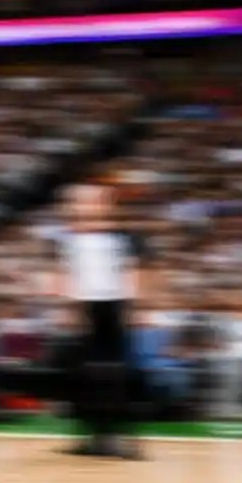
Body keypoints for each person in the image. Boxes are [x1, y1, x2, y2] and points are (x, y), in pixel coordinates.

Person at [50, 183, 145, 459]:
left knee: (117, 375)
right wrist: (67, 308)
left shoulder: (123, 237)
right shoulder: (68, 239)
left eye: (91, 202)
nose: (83, 208)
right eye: (78, 202)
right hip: (84, 309)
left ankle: (124, 438)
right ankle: (92, 435)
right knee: (83, 375)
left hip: (114, 308)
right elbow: (65, 274)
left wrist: (134, 306)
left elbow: (135, 271)